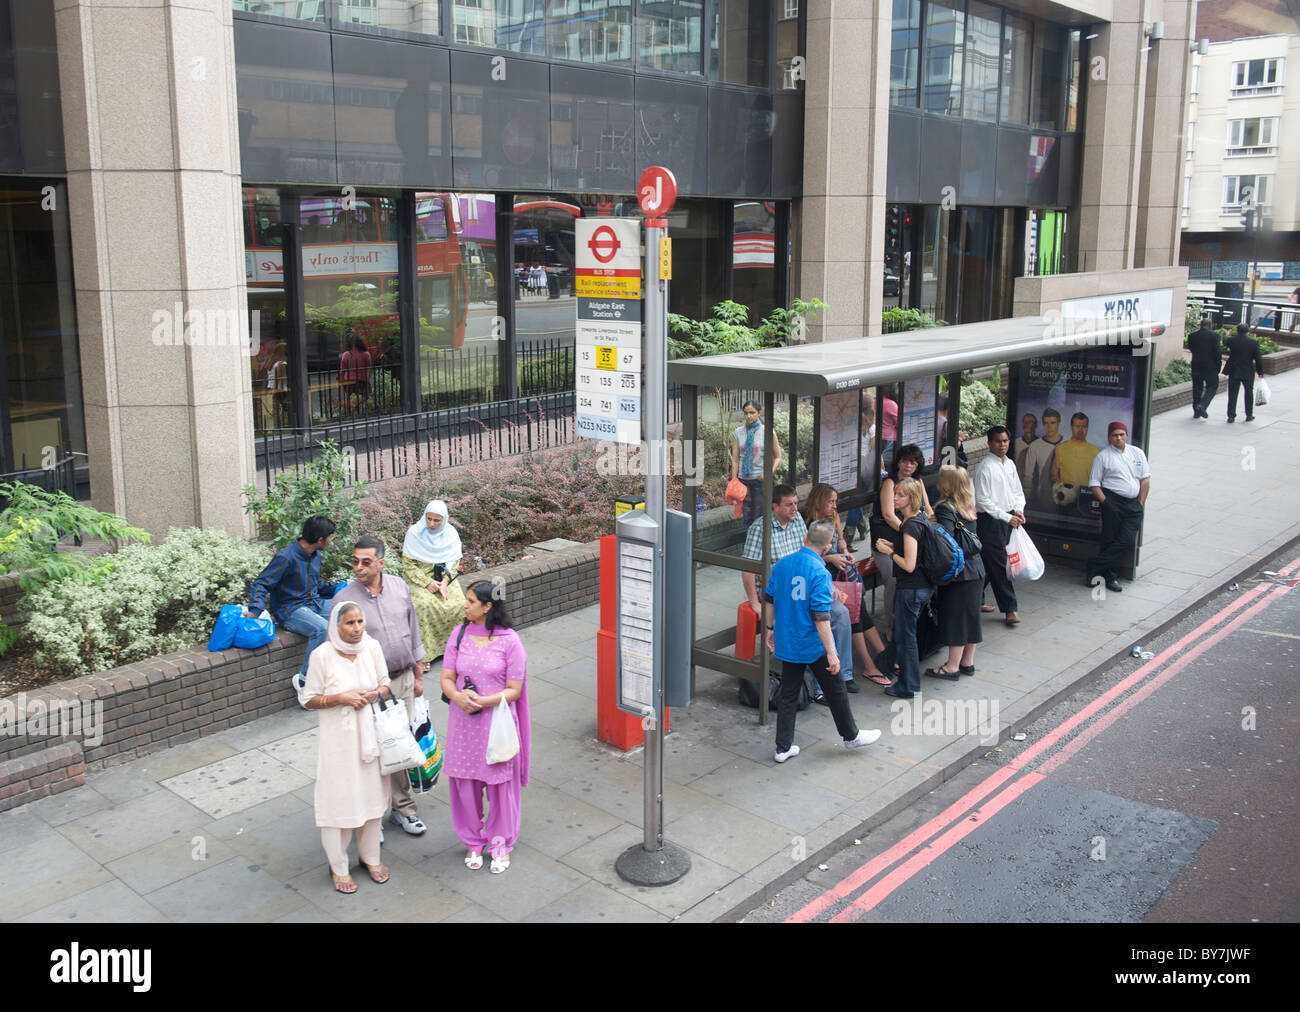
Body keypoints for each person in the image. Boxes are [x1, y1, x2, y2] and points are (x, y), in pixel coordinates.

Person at [335, 535, 431, 837]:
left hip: (403, 679)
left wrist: (417, 676)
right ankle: (372, 818)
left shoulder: (399, 587)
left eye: (366, 561)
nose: (359, 567)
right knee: (372, 752)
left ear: (380, 562)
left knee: (401, 744)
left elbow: (413, 632)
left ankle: (404, 810)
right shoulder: (345, 601)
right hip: (369, 689)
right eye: (355, 561)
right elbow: (338, 649)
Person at [764, 520, 882, 764]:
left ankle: (782, 747)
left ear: (805, 538)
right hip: (812, 643)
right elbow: (821, 616)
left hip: (788, 641)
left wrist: (769, 629)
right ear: (828, 546)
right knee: (836, 687)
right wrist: (832, 652)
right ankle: (851, 736)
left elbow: (769, 599)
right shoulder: (819, 572)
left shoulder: (782, 565)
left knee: (788, 693)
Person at [302, 600, 393, 894]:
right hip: (338, 743)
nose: (356, 629)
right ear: (336, 626)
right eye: (349, 623)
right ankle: (338, 865)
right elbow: (309, 698)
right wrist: (341, 698)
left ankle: (371, 858)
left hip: (371, 738)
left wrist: (373, 694)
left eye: (360, 622)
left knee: (371, 797)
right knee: (339, 800)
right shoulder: (321, 656)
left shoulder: (372, 647)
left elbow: (386, 684)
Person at [440, 581, 530, 874]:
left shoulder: (510, 641)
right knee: (465, 784)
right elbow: (446, 677)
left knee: (499, 786)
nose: (464, 605)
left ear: (487, 607)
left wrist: (483, 700)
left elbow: (514, 689)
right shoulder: (459, 633)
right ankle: (473, 841)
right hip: (463, 722)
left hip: (496, 724)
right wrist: (458, 697)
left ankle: (500, 841)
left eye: (469, 601)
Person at [741, 484, 851, 704]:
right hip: (779, 593)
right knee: (818, 619)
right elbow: (748, 567)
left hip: (803, 587)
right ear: (775, 506)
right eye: (789, 504)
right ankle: (821, 687)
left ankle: (843, 677)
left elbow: (809, 554)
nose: (794, 508)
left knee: (840, 613)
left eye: (795, 503)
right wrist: (755, 602)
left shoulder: (798, 521)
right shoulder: (760, 529)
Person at [802, 483, 890, 689]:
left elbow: (841, 541)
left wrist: (845, 552)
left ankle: (880, 657)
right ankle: (875, 660)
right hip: (826, 575)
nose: (834, 506)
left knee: (858, 612)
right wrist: (832, 557)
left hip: (842, 572)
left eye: (836, 501)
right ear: (819, 500)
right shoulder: (809, 524)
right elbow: (810, 554)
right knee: (856, 613)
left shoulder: (834, 517)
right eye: (830, 501)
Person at [247, 515, 343, 698]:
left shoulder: (315, 555)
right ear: (320, 539)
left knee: (348, 610)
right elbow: (261, 583)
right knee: (321, 629)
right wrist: (255, 609)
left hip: (313, 603)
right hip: (290, 610)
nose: (332, 540)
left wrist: (339, 588)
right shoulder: (285, 557)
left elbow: (316, 583)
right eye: (330, 536)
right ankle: (305, 681)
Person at [873, 477, 935, 699]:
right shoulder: (921, 519)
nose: (895, 498)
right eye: (895, 493)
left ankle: (908, 685)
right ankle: (886, 664)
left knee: (906, 638)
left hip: (911, 589)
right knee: (903, 633)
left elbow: (909, 564)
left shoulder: (909, 525)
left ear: (911, 498)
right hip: (923, 586)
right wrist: (895, 546)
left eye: (900, 495)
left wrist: (889, 552)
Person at [926, 466, 985, 680]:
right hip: (976, 568)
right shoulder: (967, 504)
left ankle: (952, 667)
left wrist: (931, 526)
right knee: (971, 617)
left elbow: (946, 542)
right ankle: (967, 662)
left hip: (960, 573)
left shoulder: (945, 507)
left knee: (956, 618)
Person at [870, 444, 934, 639]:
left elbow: (928, 509)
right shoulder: (890, 483)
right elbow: (889, 515)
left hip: (912, 540)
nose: (908, 465)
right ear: (898, 462)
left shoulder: (917, 481)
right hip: (887, 542)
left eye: (913, 462)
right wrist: (910, 533)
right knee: (894, 579)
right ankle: (892, 623)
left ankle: (918, 620)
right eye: (905, 460)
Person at [1085, 422, 1151, 592]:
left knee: (1127, 540)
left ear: (1126, 435)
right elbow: (1094, 484)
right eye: (1115, 435)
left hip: (1133, 504)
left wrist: (1141, 503)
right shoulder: (1103, 456)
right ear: (1109, 437)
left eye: (1122, 434)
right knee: (1109, 539)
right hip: (1112, 501)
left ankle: (1094, 566)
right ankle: (1109, 575)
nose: (1119, 438)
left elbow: (1145, 480)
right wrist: (1106, 503)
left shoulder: (1137, 453)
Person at [401, 500, 467, 663]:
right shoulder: (414, 533)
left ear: (444, 520)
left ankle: (454, 649)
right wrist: (427, 583)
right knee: (423, 605)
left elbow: (454, 563)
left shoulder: (451, 534)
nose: (431, 524)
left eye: (436, 520)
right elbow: (408, 565)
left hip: (444, 578)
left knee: (459, 604)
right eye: (429, 518)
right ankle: (425, 656)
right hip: (419, 578)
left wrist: (444, 583)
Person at [973, 426, 1025, 627]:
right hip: (991, 521)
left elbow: (1017, 492)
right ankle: (1010, 608)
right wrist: (1005, 516)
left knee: (988, 565)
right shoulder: (985, 467)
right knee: (999, 565)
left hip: (1009, 518)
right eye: (998, 441)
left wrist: (1019, 509)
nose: (1002, 445)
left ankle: (975, 600)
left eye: (1005, 441)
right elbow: (983, 501)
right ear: (989, 443)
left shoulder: (1009, 464)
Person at [730, 400, 782, 528]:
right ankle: (749, 542)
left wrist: (767, 474)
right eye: (746, 413)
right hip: (743, 480)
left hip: (760, 480)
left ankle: (759, 544)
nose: (749, 416)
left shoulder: (768, 432)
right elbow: (735, 459)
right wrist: (733, 479)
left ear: (759, 413)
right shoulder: (738, 432)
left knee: (759, 515)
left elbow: (778, 457)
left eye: (752, 413)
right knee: (746, 515)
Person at [1021, 407, 1063, 506]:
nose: (1049, 427)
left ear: (1059, 424)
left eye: (1053, 423)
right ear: (1043, 424)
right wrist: (1026, 499)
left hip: (1065, 497)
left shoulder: (1067, 444)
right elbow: (1028, 475)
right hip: (1044, 498)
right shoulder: (1035, 446)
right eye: (1046, 423)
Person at [1222, 323, 1265, 423]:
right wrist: (1260, 372)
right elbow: (1258, 359)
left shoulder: (1232, 340)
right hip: (1247, 370)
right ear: (1247, 331)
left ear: (1237, 331)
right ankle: (1249, 415)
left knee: (1232, 394)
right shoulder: (1253, 342)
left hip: (1234, 370)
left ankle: (1231, 416)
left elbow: (1225, 341)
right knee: (1249, 393)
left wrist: (1226, 334)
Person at [1051, 412, 1099, 493]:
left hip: (1086, 497)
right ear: (1071, 427)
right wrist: (1062, 492)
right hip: (1066, 498)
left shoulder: (1095, 451)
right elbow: (1055, 474)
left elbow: (1098, 479)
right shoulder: (1061, 448)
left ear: (1087, 428)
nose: (1080, 430)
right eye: (1077, 426)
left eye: (1084, 426)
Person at [1186, 316, 1223, 420]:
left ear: (1200, 325)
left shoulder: (1192, 336)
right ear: (1210, 325)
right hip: (1210, 366)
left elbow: (1191, 348)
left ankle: (1196, 411)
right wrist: (1218, 365)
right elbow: (1218, 352)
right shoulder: (1215, 335)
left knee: (1197, 388)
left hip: (1196, 364)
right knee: (1212, 386)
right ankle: (1202, 405)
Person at [1013, 413, 1038, 483]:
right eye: (1024, 421)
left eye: (1030, 422)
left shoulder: (1040, 444)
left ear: (1035, 425)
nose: (1026, 424)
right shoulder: (1016, 443)